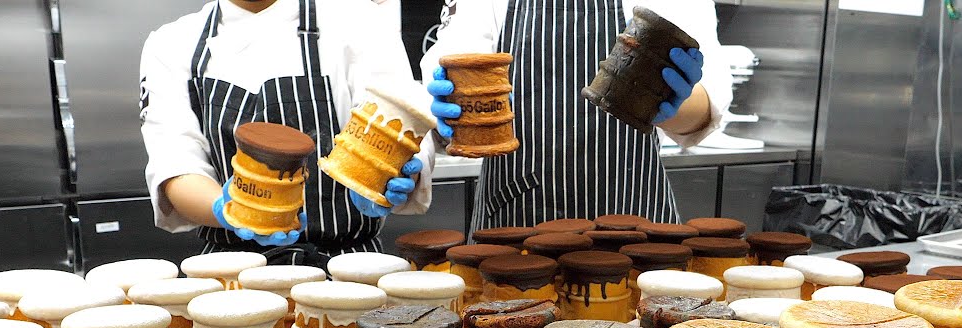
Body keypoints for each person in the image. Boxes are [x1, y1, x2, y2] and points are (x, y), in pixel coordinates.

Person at [139, 0, 435, 265]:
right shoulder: (172, 43)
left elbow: (399, 118)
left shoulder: (358, 20)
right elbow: (175, 163)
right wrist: (231, 208)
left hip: (348, 267)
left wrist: (393, 179)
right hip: (231, 274)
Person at [421, 0, 730, 231]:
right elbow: (457, 65)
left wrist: (673, 102)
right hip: (514, 222)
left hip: (635, 221)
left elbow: (707, 104)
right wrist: (454, 108)